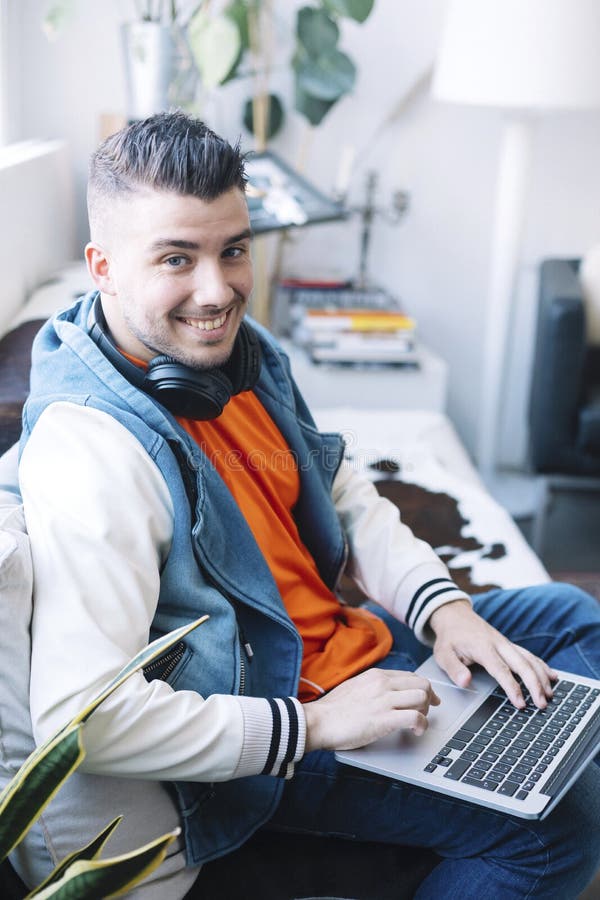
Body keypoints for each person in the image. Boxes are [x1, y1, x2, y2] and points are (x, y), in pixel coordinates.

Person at [10, 110, 600, 898]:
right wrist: (317, 727)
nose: (217, 292)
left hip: (341, 646)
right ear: (103, 267)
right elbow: (85, 721)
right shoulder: (96, 455)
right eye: (176, 259)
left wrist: (443, 611)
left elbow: (338, 488)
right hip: (283, 727)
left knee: (569, 617)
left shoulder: (237, 358)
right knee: (559, 832)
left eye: (233, 250)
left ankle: (515, 761)